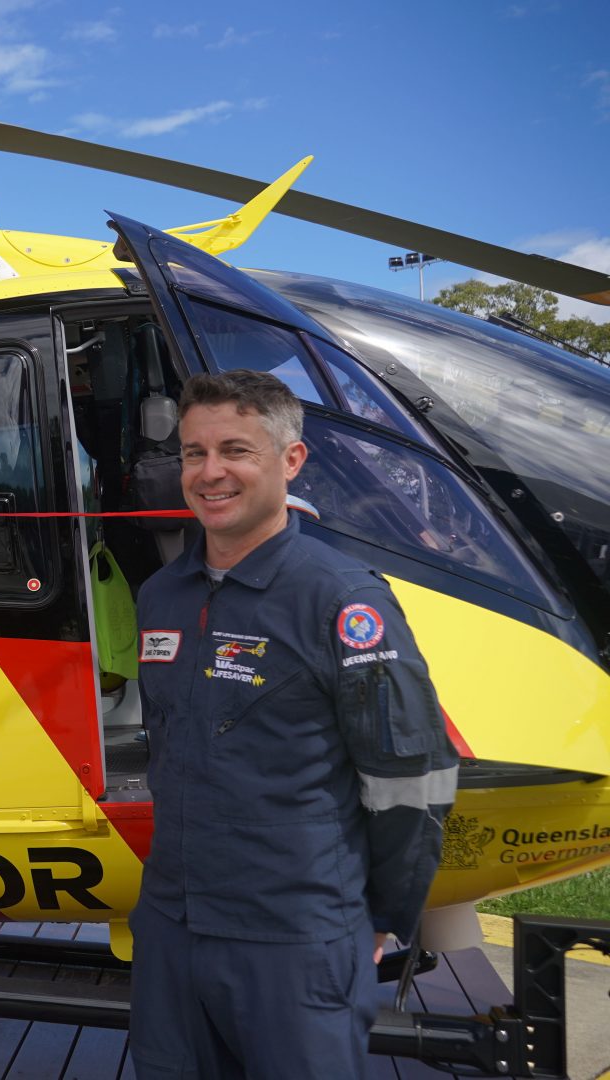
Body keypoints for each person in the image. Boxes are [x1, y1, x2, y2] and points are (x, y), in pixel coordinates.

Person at [128, 371, 458, 1079]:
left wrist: (378, 915)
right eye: (193, 453)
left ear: (291, 461)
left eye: (236, 451)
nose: (210, 473)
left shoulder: (341, 599)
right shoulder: (161, 596)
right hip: (172, 929)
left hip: (294, 937)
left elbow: (411, 780)